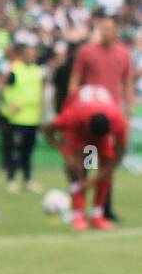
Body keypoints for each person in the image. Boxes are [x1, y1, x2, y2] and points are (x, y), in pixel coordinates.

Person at [68, 16, 134, 221]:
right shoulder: (87, 52)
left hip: (111, 121)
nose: (105, 32)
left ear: (116, 31)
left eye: (109, 29)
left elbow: (128, 85)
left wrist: (128, 114)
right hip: (90, 118)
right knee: (87, 161)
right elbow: (75, 80)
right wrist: (74, 105)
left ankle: (104, 209)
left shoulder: (123, 54)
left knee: (107, 163)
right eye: (102, 28)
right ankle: (81, 207)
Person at [43, 84, 128, 231]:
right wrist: (64, 151)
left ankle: (97, 216)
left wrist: (92, 181)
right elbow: (47, 128)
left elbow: (117, 157)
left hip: (97, 125)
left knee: (105, 165)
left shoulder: (118, 121)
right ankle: (78, 215)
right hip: (79, 127)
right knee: (74, 169)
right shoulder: (72, 116)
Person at [0, 39, 45, 192]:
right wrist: (10, 104)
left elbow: (40, 93)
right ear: (23, 55)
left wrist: (42, 108)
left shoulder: (37, 71)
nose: (32, 57)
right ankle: (11, 179)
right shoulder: (15, 70)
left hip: (32, 119)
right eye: (29, 54)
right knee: (15, 151)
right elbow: (4, 88)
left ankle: (28, 179)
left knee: (28, 152)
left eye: (34, 54)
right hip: (17, 119)